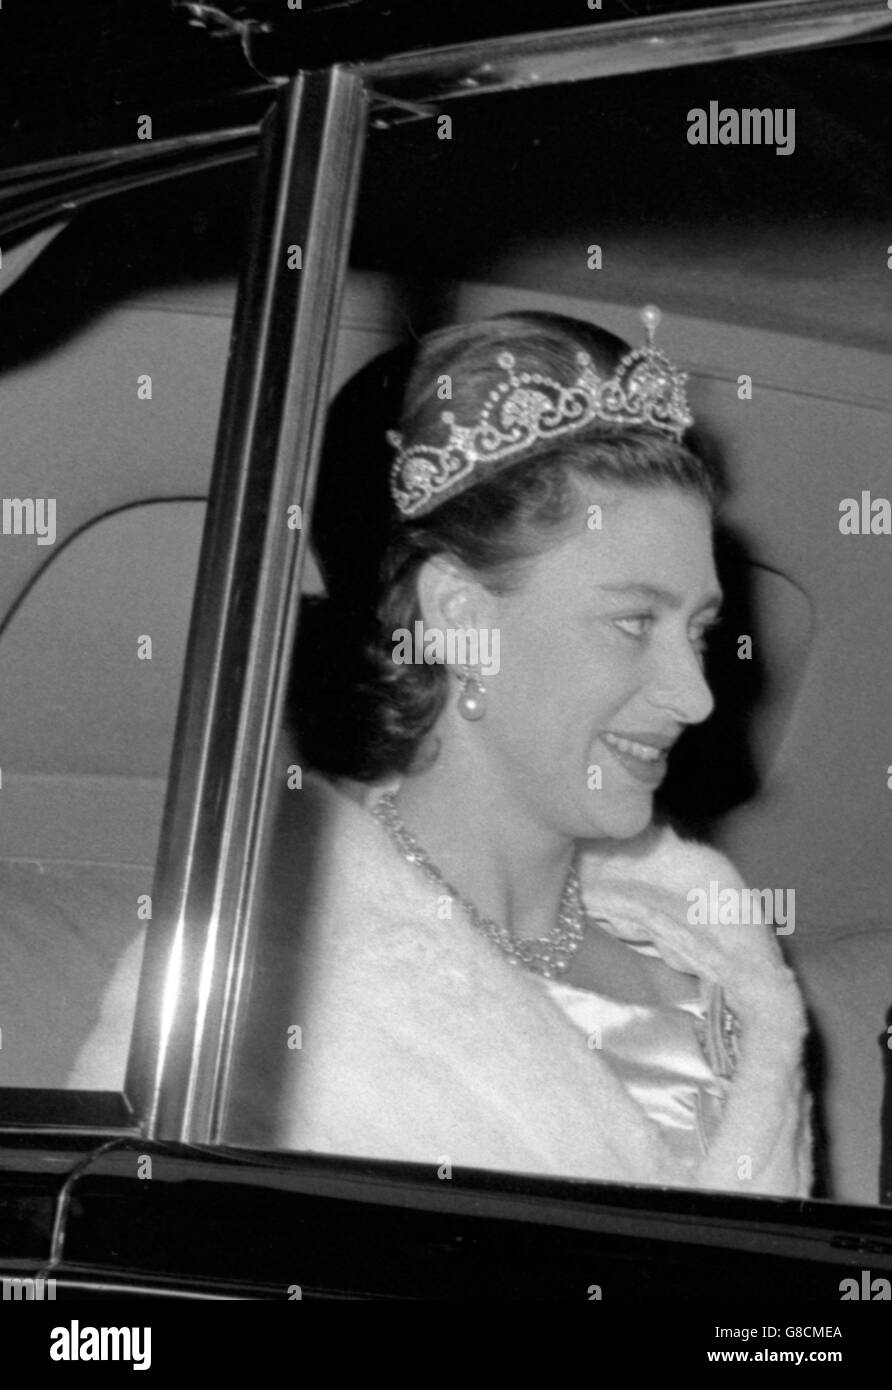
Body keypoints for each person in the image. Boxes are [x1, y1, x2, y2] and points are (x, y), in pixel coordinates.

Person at [74, 307, 813, 1197]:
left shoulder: (721, 973)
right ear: (462, 620)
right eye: (632, 622)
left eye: (699, 631)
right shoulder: (256, 973)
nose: (694, 695)